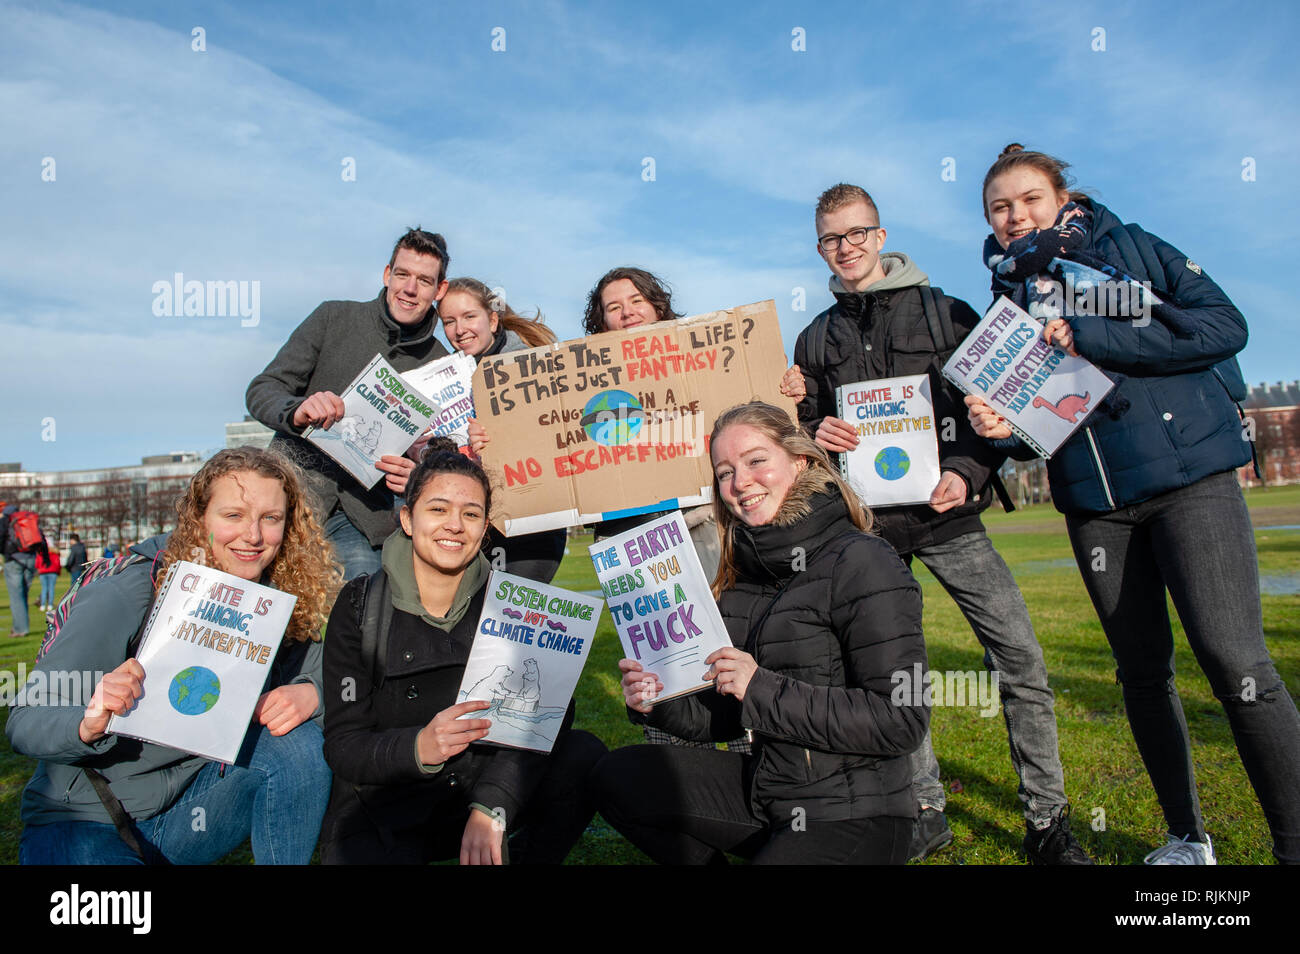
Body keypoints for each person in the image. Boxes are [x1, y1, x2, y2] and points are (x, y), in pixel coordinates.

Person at [966, 144, 1300, 865]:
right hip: (1097, 505)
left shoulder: (1129, 249)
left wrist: (1092, 332)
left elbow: (1222, 327)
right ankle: (1188, 839)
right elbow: (1035, 432)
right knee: (1142, 674)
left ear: (1062, 199)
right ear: (989, 224)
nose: (1015, 215)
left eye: (1029, 198)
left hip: (1190, 484)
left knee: (1236, 662)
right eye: (1000, 207)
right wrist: (1004, 426)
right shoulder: (1006, 302)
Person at [794, 183, 1090, 864]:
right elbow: (801, 436)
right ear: (820, 248)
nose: (846, 248)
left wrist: (968, 469)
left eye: (857, 233)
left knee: (1018, 656)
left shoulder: (947, 311)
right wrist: (816, 429)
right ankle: (924, 808)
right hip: (867, 533)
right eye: (832, 239)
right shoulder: (815, 337)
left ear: (882, 235)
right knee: (896, 674)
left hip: (949, 519)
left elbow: (995, 411)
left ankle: (1047, 821)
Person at [591, 402, 927, 864]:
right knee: (617, 774)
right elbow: (723, 717)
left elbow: (901, 721)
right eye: (725, 471)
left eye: (755, 461)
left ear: (800, 461)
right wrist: (659, 702)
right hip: (768, 792)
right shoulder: (742, 573)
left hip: (855, 812)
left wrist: (760, 687)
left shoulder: (863, 560)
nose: (740, 483)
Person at [7, 447, 339, 864]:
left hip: (188, 816)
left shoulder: (269, 602)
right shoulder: (128, 592)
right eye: (233, 516)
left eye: (270, 518)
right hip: (85, 817)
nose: (253, 536)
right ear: (199, 518)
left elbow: (340, 677)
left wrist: (313, 693)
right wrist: (87, 722)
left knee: (299, 741)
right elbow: (24, 720)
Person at [318, 438, 606, 864]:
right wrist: (419, 747)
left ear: (485, 527)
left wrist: (493, 803)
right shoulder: (360, 605)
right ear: (408, 519)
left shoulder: (515, 603)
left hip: (478, 787)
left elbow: (549, 718)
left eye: (470, 514)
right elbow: (343, 744)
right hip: (389, 800)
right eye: (437, 509)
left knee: (584, 756)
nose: (454, 525)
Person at [246, 228, 452, 582]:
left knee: (359, 621)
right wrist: (298, 410)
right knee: (261, 607)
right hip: (286, 496)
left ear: (439, 290)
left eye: (424, 280)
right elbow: (263, 389)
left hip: (363, 519)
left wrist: (418, 473)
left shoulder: (442, 365)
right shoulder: (333, 318)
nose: (410, 288)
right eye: (402, 274)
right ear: (387, 274)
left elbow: (444, 452)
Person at [439, 277, 567, 584]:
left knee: (510, 619)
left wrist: (498, 442)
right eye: (449, 321)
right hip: (478, 519)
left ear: (493, 319)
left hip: (531, 520)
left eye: (469, 316)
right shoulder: (450, 379)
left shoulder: (530, 365)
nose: (459, 329)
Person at [1, 504, 41, 639]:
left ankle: (20, 629)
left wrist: (4, 553)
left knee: (16, 596)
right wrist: (44, 557)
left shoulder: (6, 520)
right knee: (23, 594)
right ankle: (21, 625)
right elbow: (41, 538)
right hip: (30, 559)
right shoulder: (28, 519)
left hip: (13, 560)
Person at [36, 543, 60, 612]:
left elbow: (37, 564)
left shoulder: (41, 555)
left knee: (44, 589)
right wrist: (58, 572)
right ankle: (50, 605)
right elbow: (58, 564)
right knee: (51, 588)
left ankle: (43, 605)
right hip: (53, 573)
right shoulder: (55, 555)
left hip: (43, 573)